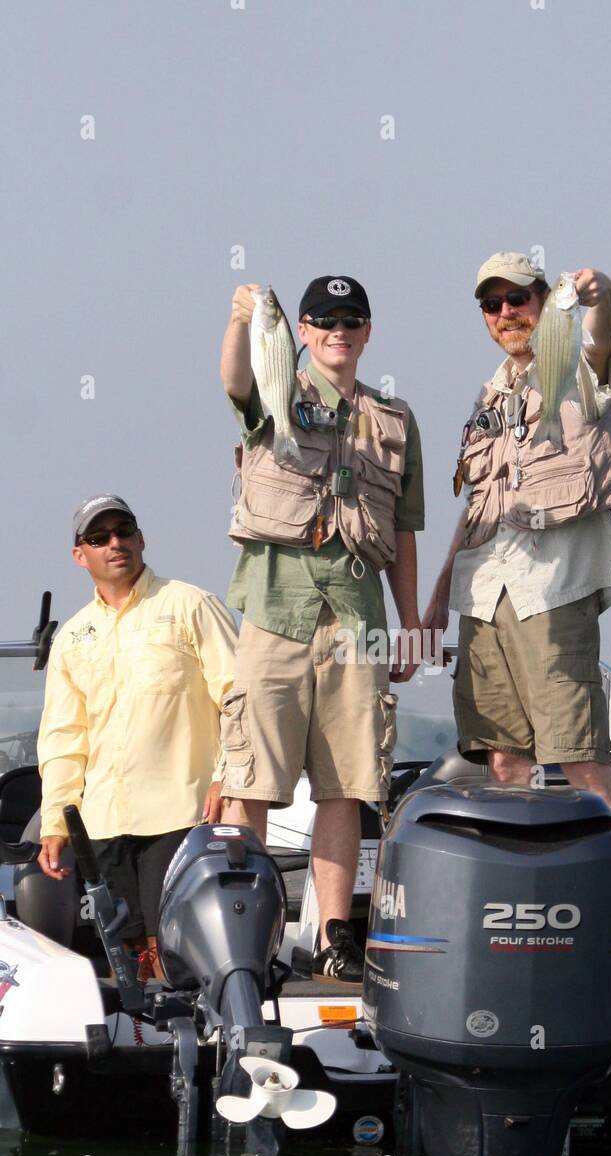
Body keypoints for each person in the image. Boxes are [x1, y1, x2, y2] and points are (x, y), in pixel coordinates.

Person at [423, 251, 611, 980]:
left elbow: (602, 339)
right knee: (503, 760)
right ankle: (519, 920)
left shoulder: (572, 367)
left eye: (517, 298)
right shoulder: (488, 395)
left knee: (584, 757)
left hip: (551, 591)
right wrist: (434, 602)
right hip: (483, 594)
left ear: (541, 300)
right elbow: (475, 509)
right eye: (491, 304)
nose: (505, 314)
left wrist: (602, 295)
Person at [219, 275, 424, 984]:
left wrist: (414, 626)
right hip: (275, 613)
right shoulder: (279, 392)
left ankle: (332, 937)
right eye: (325, 319)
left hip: (356, 620)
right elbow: (236, 383)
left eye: (352, 319)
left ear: (368, 332)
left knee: (346, 786)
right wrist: (243, 320)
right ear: (302, 331)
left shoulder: (394, 420)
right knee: (250, 785)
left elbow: (401, 531)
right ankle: (240, 939)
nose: (339, 329)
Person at [37, 495, 238, 980]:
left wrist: (226, 776)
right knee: (129, 964)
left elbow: (240, 696)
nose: (115, 543)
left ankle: (199, 1047)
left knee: (180, 955)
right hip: (103, 821)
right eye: (98, 537)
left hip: (183, 814)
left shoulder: (190, 604)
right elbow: (65, 737)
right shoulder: (72, 637)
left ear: (141, 538)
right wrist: (54, 823)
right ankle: (147, 1047)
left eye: (124, 530)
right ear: (79, 556)